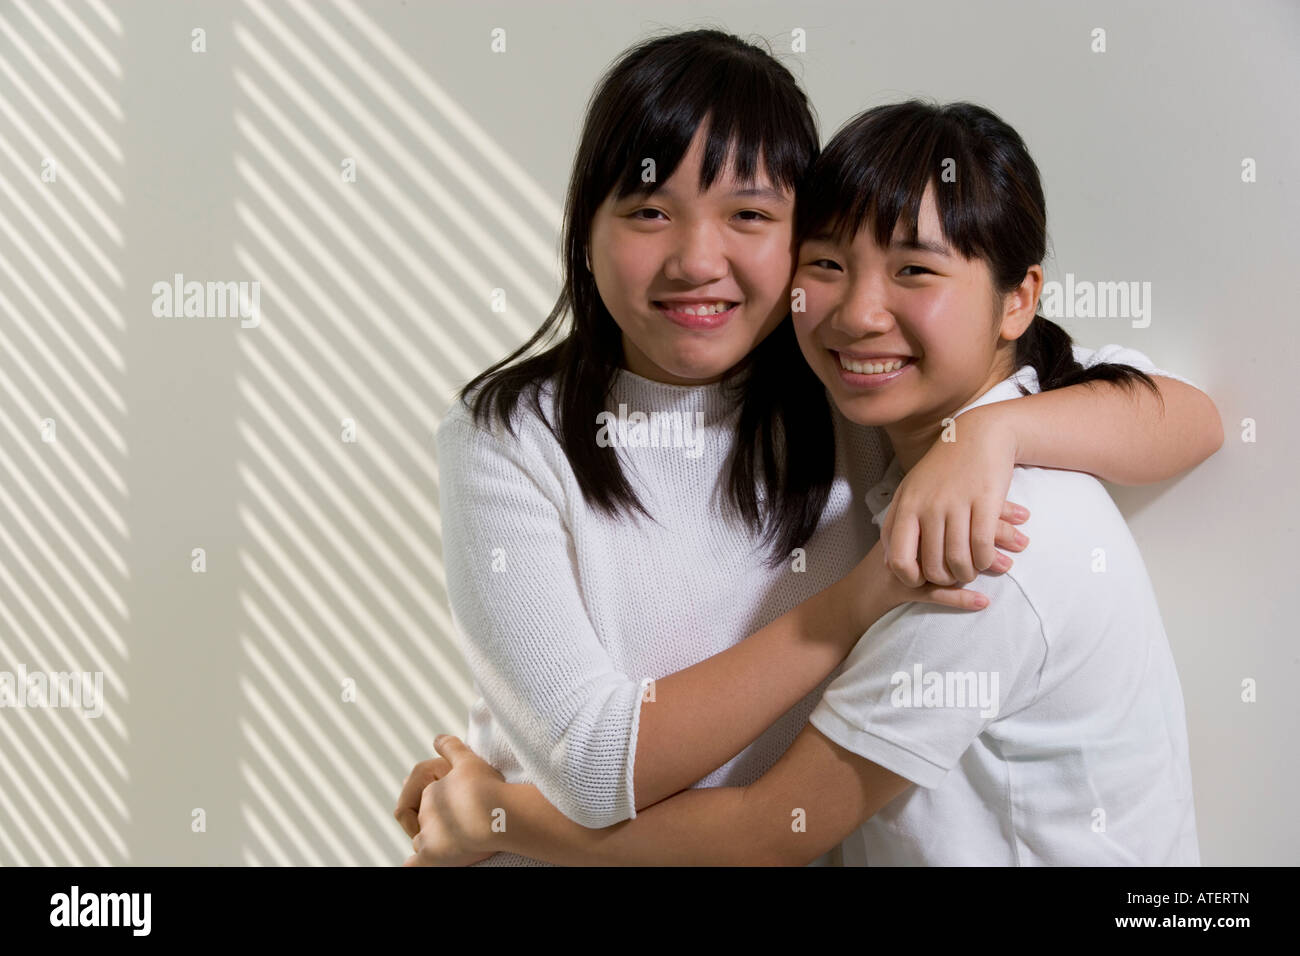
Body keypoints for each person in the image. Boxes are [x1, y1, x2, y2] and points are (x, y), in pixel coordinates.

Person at [395, 32, 1221, 866]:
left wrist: (990, 430)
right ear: (586, 228)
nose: (696, 259)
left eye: (749, 215)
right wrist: (862, 597)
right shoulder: (508, 438)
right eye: (649, 211)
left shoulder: (847, 384)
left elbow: (1187, 417)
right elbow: (592, 763)